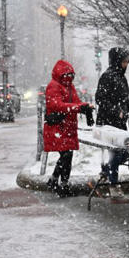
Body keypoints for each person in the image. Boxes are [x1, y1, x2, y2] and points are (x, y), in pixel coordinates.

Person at [43, 59, 92, 197]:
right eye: (66, 75)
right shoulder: (53, 86)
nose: (69, 78)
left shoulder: (70, 87)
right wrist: (77, 107)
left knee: (67, 155)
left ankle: (57, 182)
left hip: (68, 127)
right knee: (66, 154)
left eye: (71, 75)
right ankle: (60, 183)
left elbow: (75, 102)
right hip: (57, 127)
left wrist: (84, 107)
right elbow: (56, 105)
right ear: (59, 74)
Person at [95, 47, 129, 202]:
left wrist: (128, 108)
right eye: (124, 61)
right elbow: (100, 99)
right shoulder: (107, 76)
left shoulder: (121, 77)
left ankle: (106, 174)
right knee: (117, 152)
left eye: (127, 62)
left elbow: (125, 97)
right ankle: (113, 186)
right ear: (117, 61)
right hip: (108, 123)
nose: (126, 64)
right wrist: (116, 110)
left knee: (120, 152)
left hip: (119, 123)